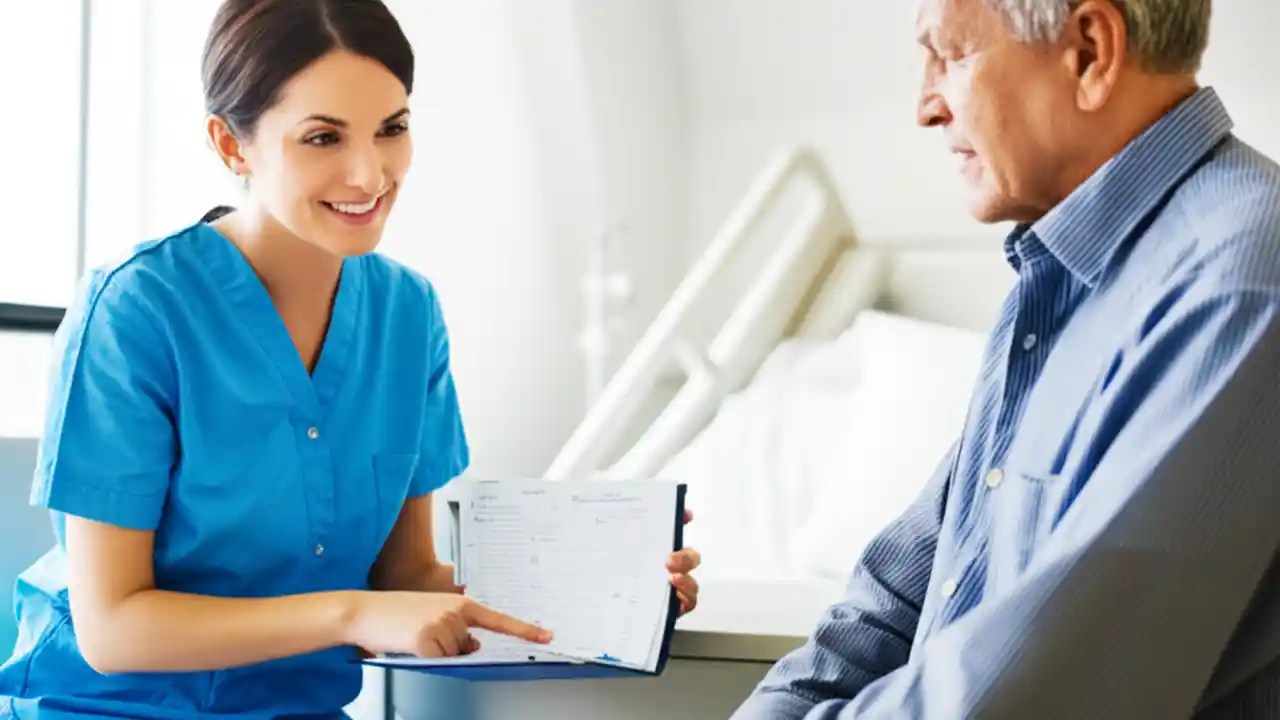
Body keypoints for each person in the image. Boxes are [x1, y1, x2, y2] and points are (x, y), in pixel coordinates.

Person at [0, 1, 702, 718]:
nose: (369, 174)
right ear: (231, 146)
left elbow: (407, 575)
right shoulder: (138, 308)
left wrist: (606, 590)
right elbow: (112, 629)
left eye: (391, 129)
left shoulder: (408, 313)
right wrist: (353, 615)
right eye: (323, 137)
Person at [733, 0, 1279, 717]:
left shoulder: (1239, 285)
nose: (925, 107)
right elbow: (892, 605)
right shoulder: (1060, 277)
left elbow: (1031, 696)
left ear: (1089, 52)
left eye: (950, 55)